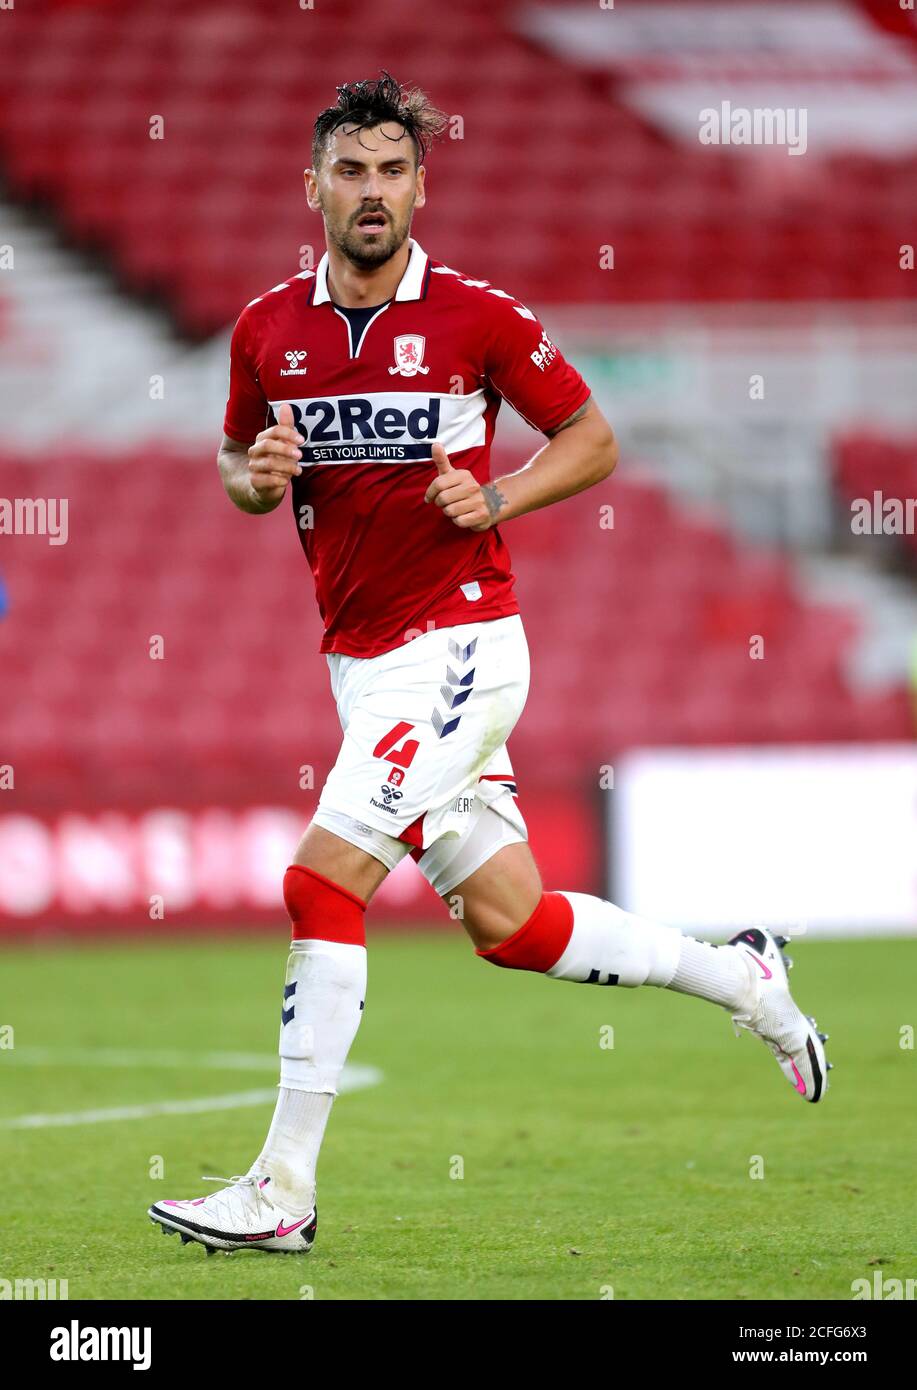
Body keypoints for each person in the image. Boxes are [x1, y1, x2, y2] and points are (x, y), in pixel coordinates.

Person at [149, 73, 829, 1256]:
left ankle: (280, 1191)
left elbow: (594, 438)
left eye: (392, 171)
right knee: (515, 926)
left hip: (460, 644)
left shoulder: (475, 318)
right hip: (362, 662)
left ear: (422, 185)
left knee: (320, 883)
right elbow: (232, 464)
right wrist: (252, 480)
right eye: (349, 171)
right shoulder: (267, 329)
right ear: (311, 186)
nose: (371, 192)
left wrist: (499, 492)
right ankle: (743, 979)